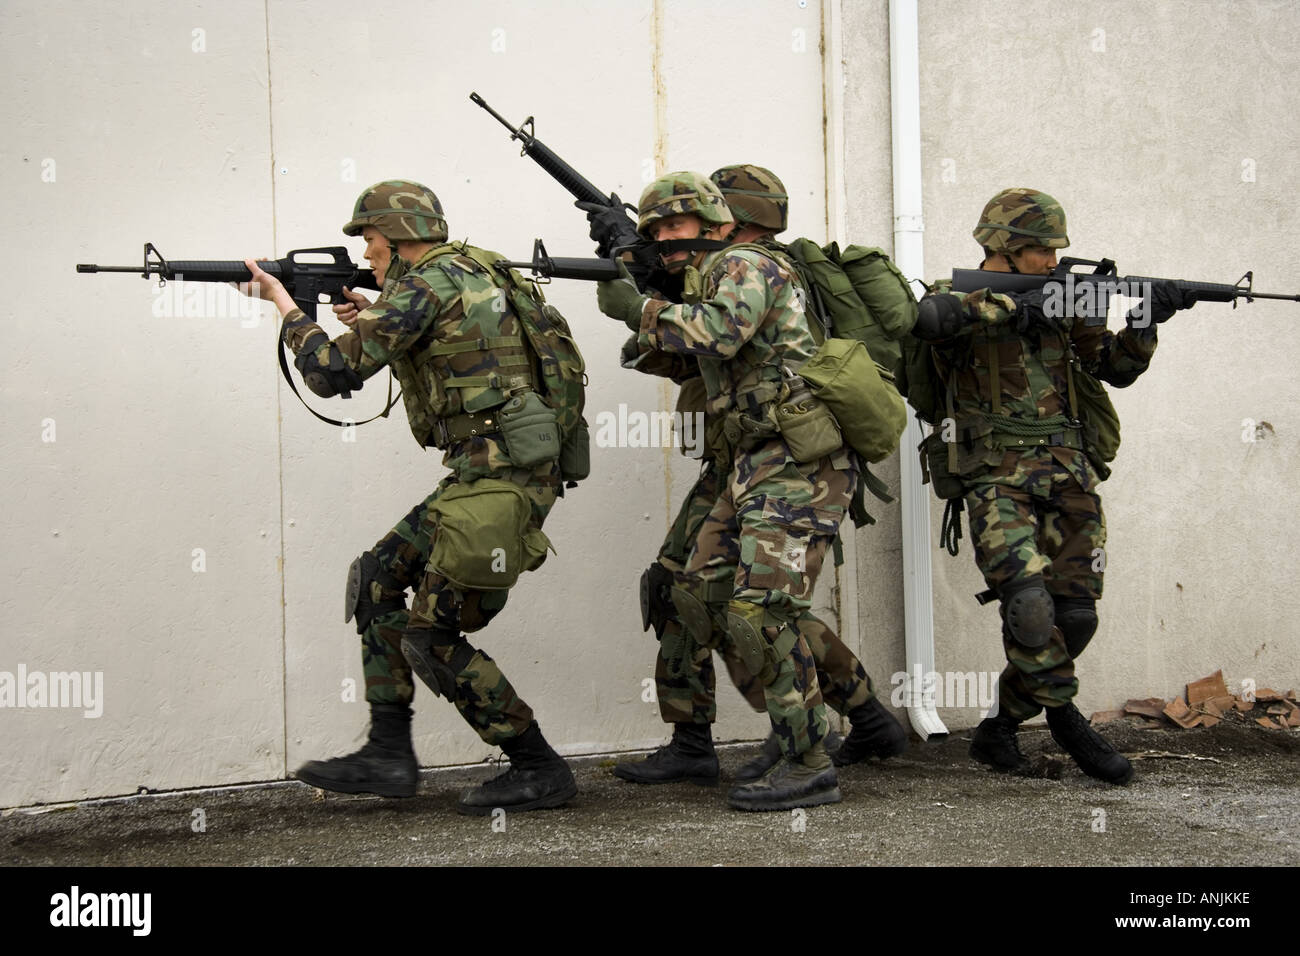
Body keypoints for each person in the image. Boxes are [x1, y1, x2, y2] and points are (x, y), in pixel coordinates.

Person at [238, 180, 579, 813]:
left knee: (431, 631)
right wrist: (372, 313)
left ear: (396, 236)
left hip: (503, 480)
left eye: (368, 239)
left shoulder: (424, 286)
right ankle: (389, 754)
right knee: (376, 578)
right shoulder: (465, 272)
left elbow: (332, 374)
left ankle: (539, 766)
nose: (365, 254)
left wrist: (285, 307)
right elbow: (453, 342)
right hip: (488, 473)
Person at [597, 165, 906, 789]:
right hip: (747, 460)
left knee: (762, 612)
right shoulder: (707, 274)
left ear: (718, 224)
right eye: (652, 228)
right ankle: (701, 742)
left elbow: (718, 333)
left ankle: (809, 759)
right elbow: (685, 352)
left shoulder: (746, 264)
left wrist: (641, 305)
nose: (662, 236)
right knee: (694, 593)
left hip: (796, 460)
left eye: (674, 224)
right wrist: (644, 302)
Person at [908, 188, 1196, 784]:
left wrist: (1145, 318)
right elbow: (933, 326)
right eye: (1041, 250)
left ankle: (1000, 729)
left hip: (1069, 469)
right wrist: (1022, 309)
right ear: (1004, 248)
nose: (1052, 260)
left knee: (1077, 616)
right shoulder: (951, 295)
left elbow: (1114, 370)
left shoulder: (1070, 298)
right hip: (993, 471)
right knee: (1030, 606)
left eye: (1056, 250)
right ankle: (1066, 718)